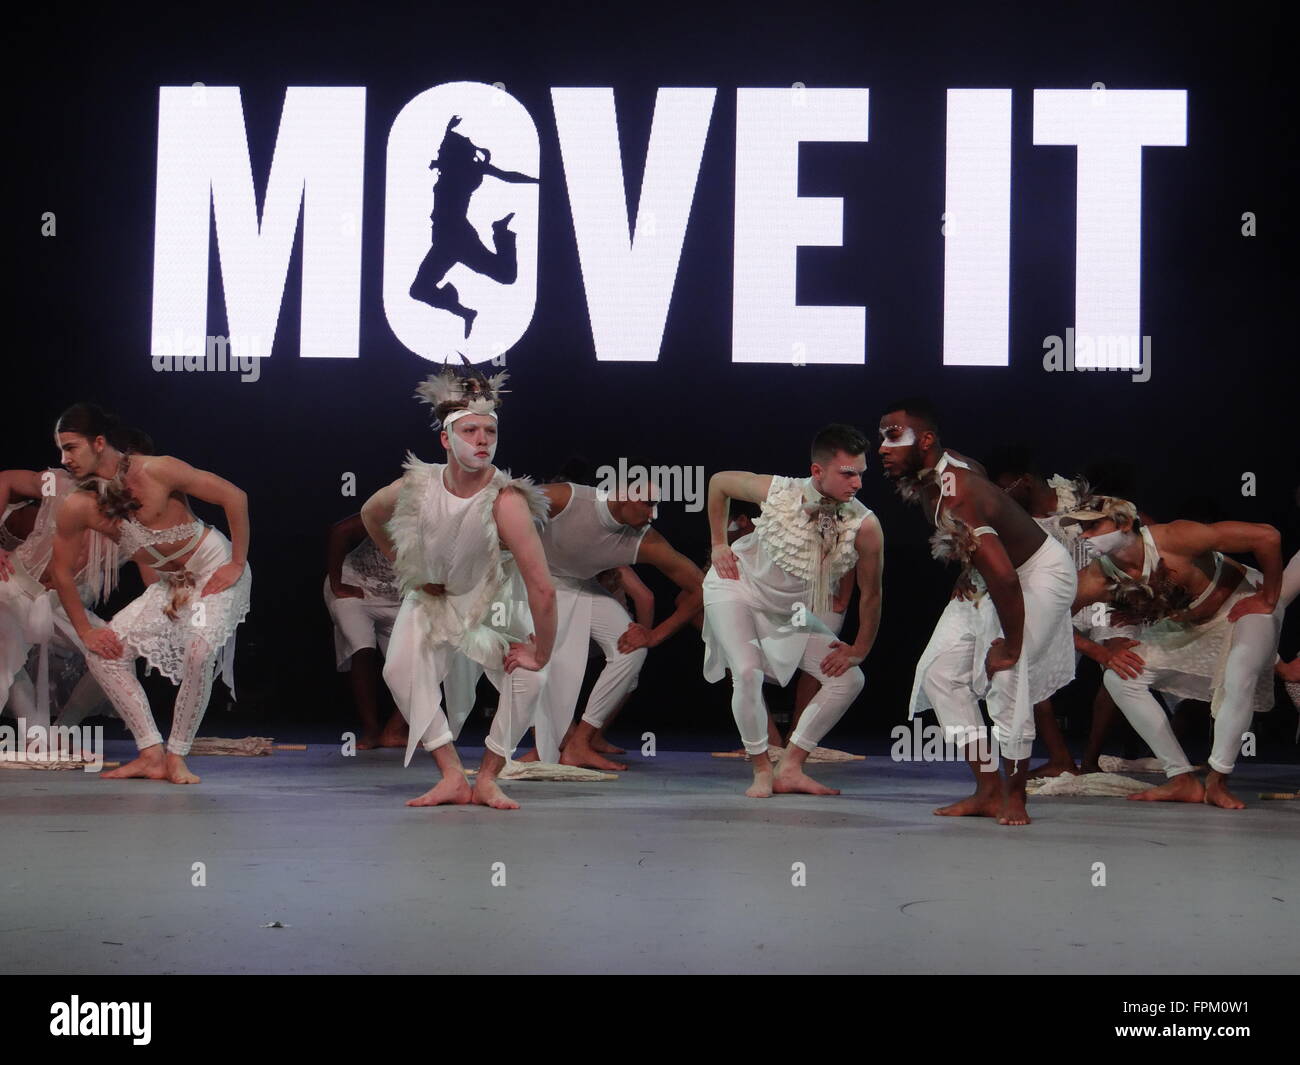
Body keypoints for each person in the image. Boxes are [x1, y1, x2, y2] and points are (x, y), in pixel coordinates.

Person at [361, 361, 556, 810]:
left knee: (528, 677)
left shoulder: (505, 501)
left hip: (491, 600)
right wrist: (408, 569)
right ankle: (452, 774)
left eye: (489, 431)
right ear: (446, 439)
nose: (482, 440)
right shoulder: (418, 483)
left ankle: (487, 777)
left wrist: (540, 652)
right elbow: (371, 514)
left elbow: (541, 586)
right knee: (399, 671)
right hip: (434, 595)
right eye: (469, 431)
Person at [878, 399, 1076, 826]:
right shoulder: (943, 468)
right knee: (939, 673)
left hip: (1039, 573)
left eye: (893, 435)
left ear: (926, 440)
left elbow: (1006, 579)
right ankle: (988, 788)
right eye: (882, 436)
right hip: (993, 573)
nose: (882, 446)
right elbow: (987, 532)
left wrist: (1012, 645)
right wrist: (974, 561)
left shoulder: (958, 495)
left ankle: (1017, 795)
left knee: (1008, 674)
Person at [47, 403, 251, 785]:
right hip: (172, 586)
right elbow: (60, 571)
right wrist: (86, 630)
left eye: (71, 447)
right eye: (61, 450)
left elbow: (234, 496)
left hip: (213, 571)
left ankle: (177, 756)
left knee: (199, 650)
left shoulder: (156, 470)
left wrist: (236, 563)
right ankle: (151, 753)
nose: (64, 458)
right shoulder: (79, 506)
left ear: (100, 442)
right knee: (103, 652)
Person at [1068, 494, 1284, 809]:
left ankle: (1218, 779)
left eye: (1092, 526)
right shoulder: (1097, 576)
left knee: (1238, 673)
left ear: (1125, 524)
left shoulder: (1176, 537)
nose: (1083, 535)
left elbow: (1267, 535)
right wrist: (1100, 653)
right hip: (1188, 625)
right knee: (1119, 678)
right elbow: (1048, 616)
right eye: (1079, 528)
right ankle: (1181, 779)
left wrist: (1270, 598)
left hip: (1243, 604)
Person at [703, 424, 883, 798]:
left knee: (849, 679)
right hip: (736, 586)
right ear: (818, 471)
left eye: (861, 474)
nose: (857, 484)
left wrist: (860, 648)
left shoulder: (865, 525)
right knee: (747, 671)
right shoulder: (779, 491)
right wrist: (719, 544)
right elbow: (719, 482)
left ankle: (791, 765)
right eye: (847, 473)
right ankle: (761, 768)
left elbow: (871, 594)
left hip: (790, 614)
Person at [525, 475, 704, 771]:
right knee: (536, 660)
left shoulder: (645, 539)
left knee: (631, 651)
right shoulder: (570, 498)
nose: (653, 514)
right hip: (532, 579)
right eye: (648, 504)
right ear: (624, 496)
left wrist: (655, 635)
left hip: (580, 584)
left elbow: (699, 586)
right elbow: (501, 506)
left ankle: (580, 743)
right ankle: (543, 745)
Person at [324, 513, 407, 749]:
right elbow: (340, 530)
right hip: (356, 587)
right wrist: (337, 583)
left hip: (399, 598)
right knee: (363, 648)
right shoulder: (396, 509)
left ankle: (394, 731)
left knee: (417, 662)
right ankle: (371, 731)